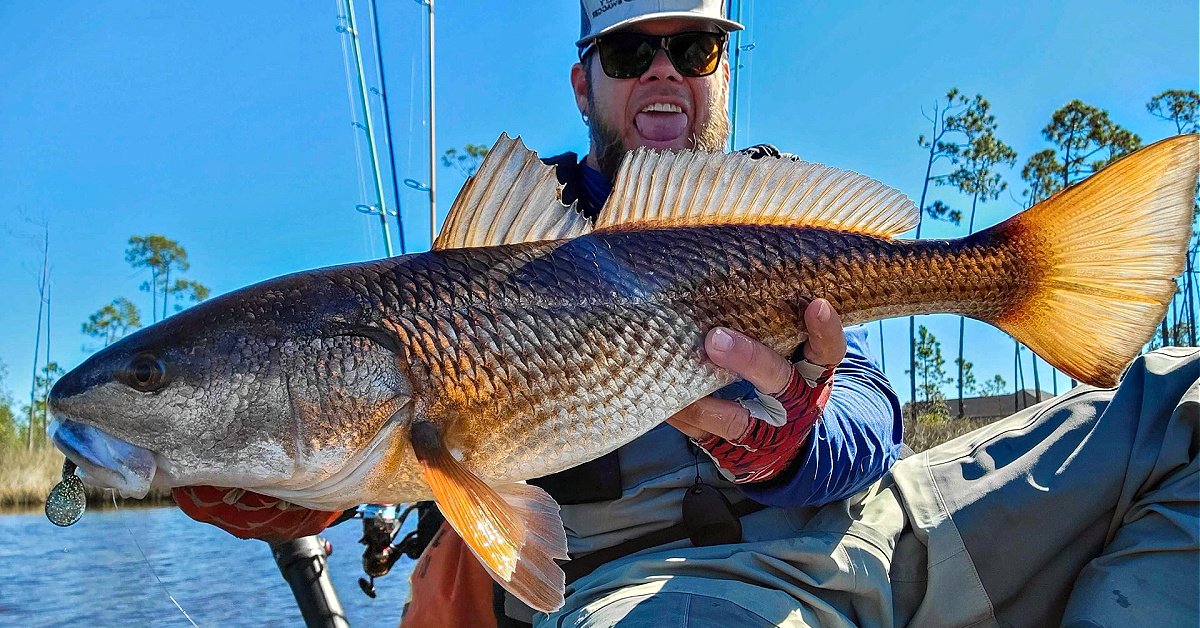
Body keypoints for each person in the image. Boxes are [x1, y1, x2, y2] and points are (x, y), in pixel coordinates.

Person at [179, 2, 1200, 627]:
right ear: (585, 81)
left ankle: (1035, 278)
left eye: (695, 47)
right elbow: (402, 467)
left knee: (1188, 399)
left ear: (722, 74)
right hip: (660, 593)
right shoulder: (483, 257)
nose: (662, 69)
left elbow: (871, 424)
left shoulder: (772, 223)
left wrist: (788, 439)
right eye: (630, 53)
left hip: (875, 537)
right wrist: (296, 484)